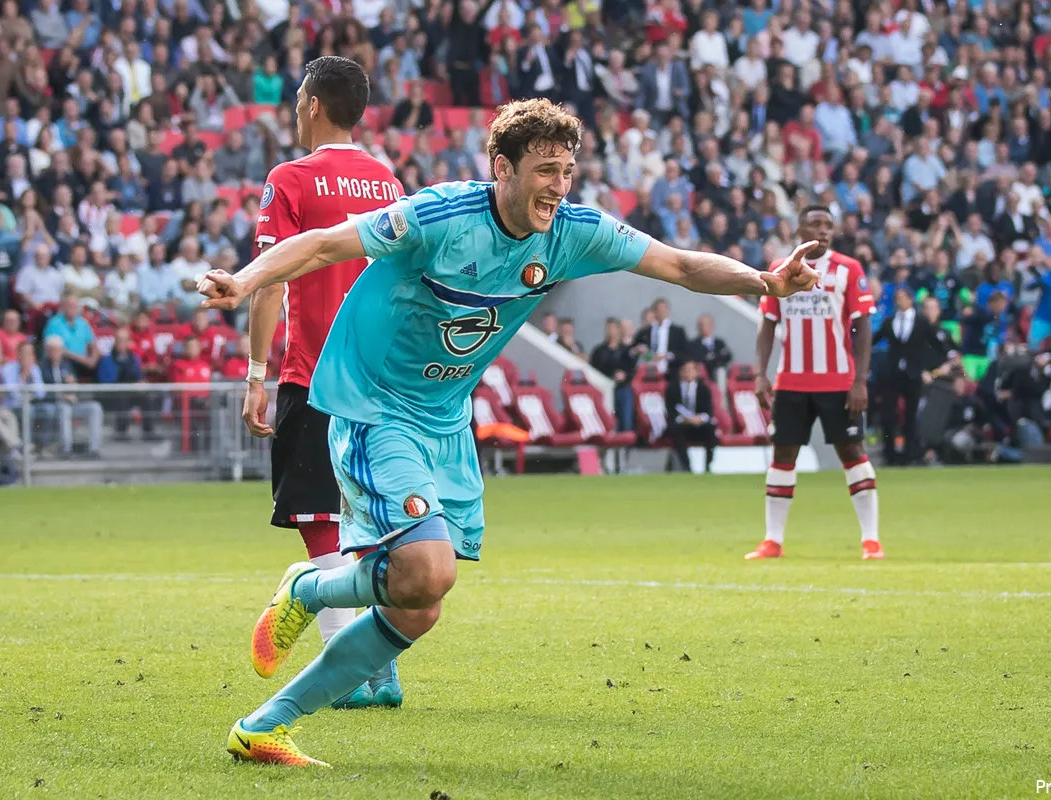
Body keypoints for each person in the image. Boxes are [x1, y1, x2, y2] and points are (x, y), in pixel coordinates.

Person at [199, 98, 820, 767]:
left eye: (568, 171)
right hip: (377, 407)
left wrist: (763, 281)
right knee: (426, 569)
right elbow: (322, 244)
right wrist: (244, 280)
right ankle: (308, 591)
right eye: (545, 169)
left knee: (420, 603)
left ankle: (266, 722)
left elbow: (678, 265)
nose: (559, 184)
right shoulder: (441, 215)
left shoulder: (573, 233)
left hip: (446, 420)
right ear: (502, 167)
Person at [243, 56, 407, 712]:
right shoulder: (388, 182)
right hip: (382, 382)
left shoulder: (290, 178)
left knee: (321, 529)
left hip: (314, 376)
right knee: (366, 527)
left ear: (312, 103)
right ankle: (384, 667)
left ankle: (358, 677)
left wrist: (255, 375)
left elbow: (270, 276)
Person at [747, 206, 882, 561]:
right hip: (791, 382)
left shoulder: (848, 268)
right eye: (815, 224)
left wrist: (860, 381)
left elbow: (863, 326)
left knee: (852, 454)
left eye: (828, 225)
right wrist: (760, 373)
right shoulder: (780, 268)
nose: (823, 230)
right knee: (783, 455)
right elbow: (768, 323)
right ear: (800, 230)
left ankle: (871, 540)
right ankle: (772, 541)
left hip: (839, 382)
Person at [873, 287, 938, 465]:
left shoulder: (920, 321)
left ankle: (911, 454)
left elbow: (934, 344)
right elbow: (874, 340)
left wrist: (931, 367)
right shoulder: (889, 321)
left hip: (913, 374)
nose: (898, 301)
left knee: (911, 415)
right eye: (897, 298)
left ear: (910, 300)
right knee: (888, 414)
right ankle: (890, 453)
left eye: (902, 298)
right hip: (893, 374)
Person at [665, 358, 715, 471]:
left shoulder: (704, 389)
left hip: (699, 425)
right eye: (685, 370)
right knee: (675, 430)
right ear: (680, 372)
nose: (688, 373)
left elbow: (709, 411)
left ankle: (708, 466)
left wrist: (699, 419)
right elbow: (670, 411)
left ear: (697, 373)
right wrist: (684, 419)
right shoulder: (672, 389)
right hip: (682, 425)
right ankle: (687, 467)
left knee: (710, 429)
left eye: (691, 370)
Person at [588, 317, 637, 433]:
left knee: (625, 418)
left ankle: (625, 442)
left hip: (622, 387)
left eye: (613, 328)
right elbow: (593, 369)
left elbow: (632, 369)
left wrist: (624, 376)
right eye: (608, 328)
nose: (610, 331)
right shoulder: (599, 350)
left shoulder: (626, 350)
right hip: (604, 388)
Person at [686, 313, 731, 378]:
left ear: (712, 326)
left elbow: (727, 356)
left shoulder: (719, 343)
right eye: (701, 325)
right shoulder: (692, 344)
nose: (704, 328)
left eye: (707, 325)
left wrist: (712, 358)